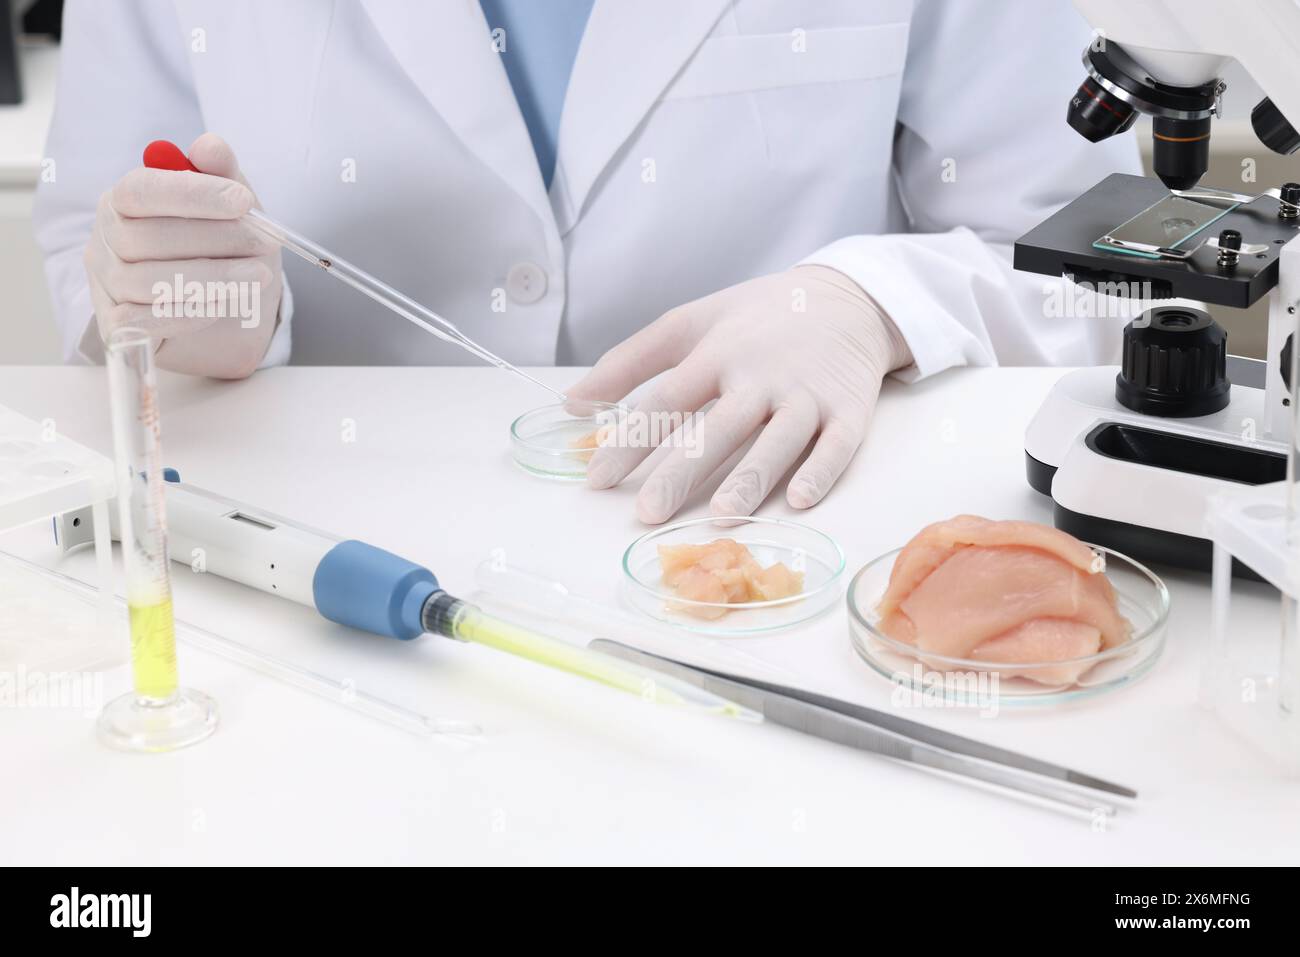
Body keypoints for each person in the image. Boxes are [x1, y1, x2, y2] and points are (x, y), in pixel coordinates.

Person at [33, 0, 1138, 524]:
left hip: (781, 550)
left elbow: (1090, 258)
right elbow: (98, 231)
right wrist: (199, 315)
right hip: (322, 548)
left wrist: (870, 304)